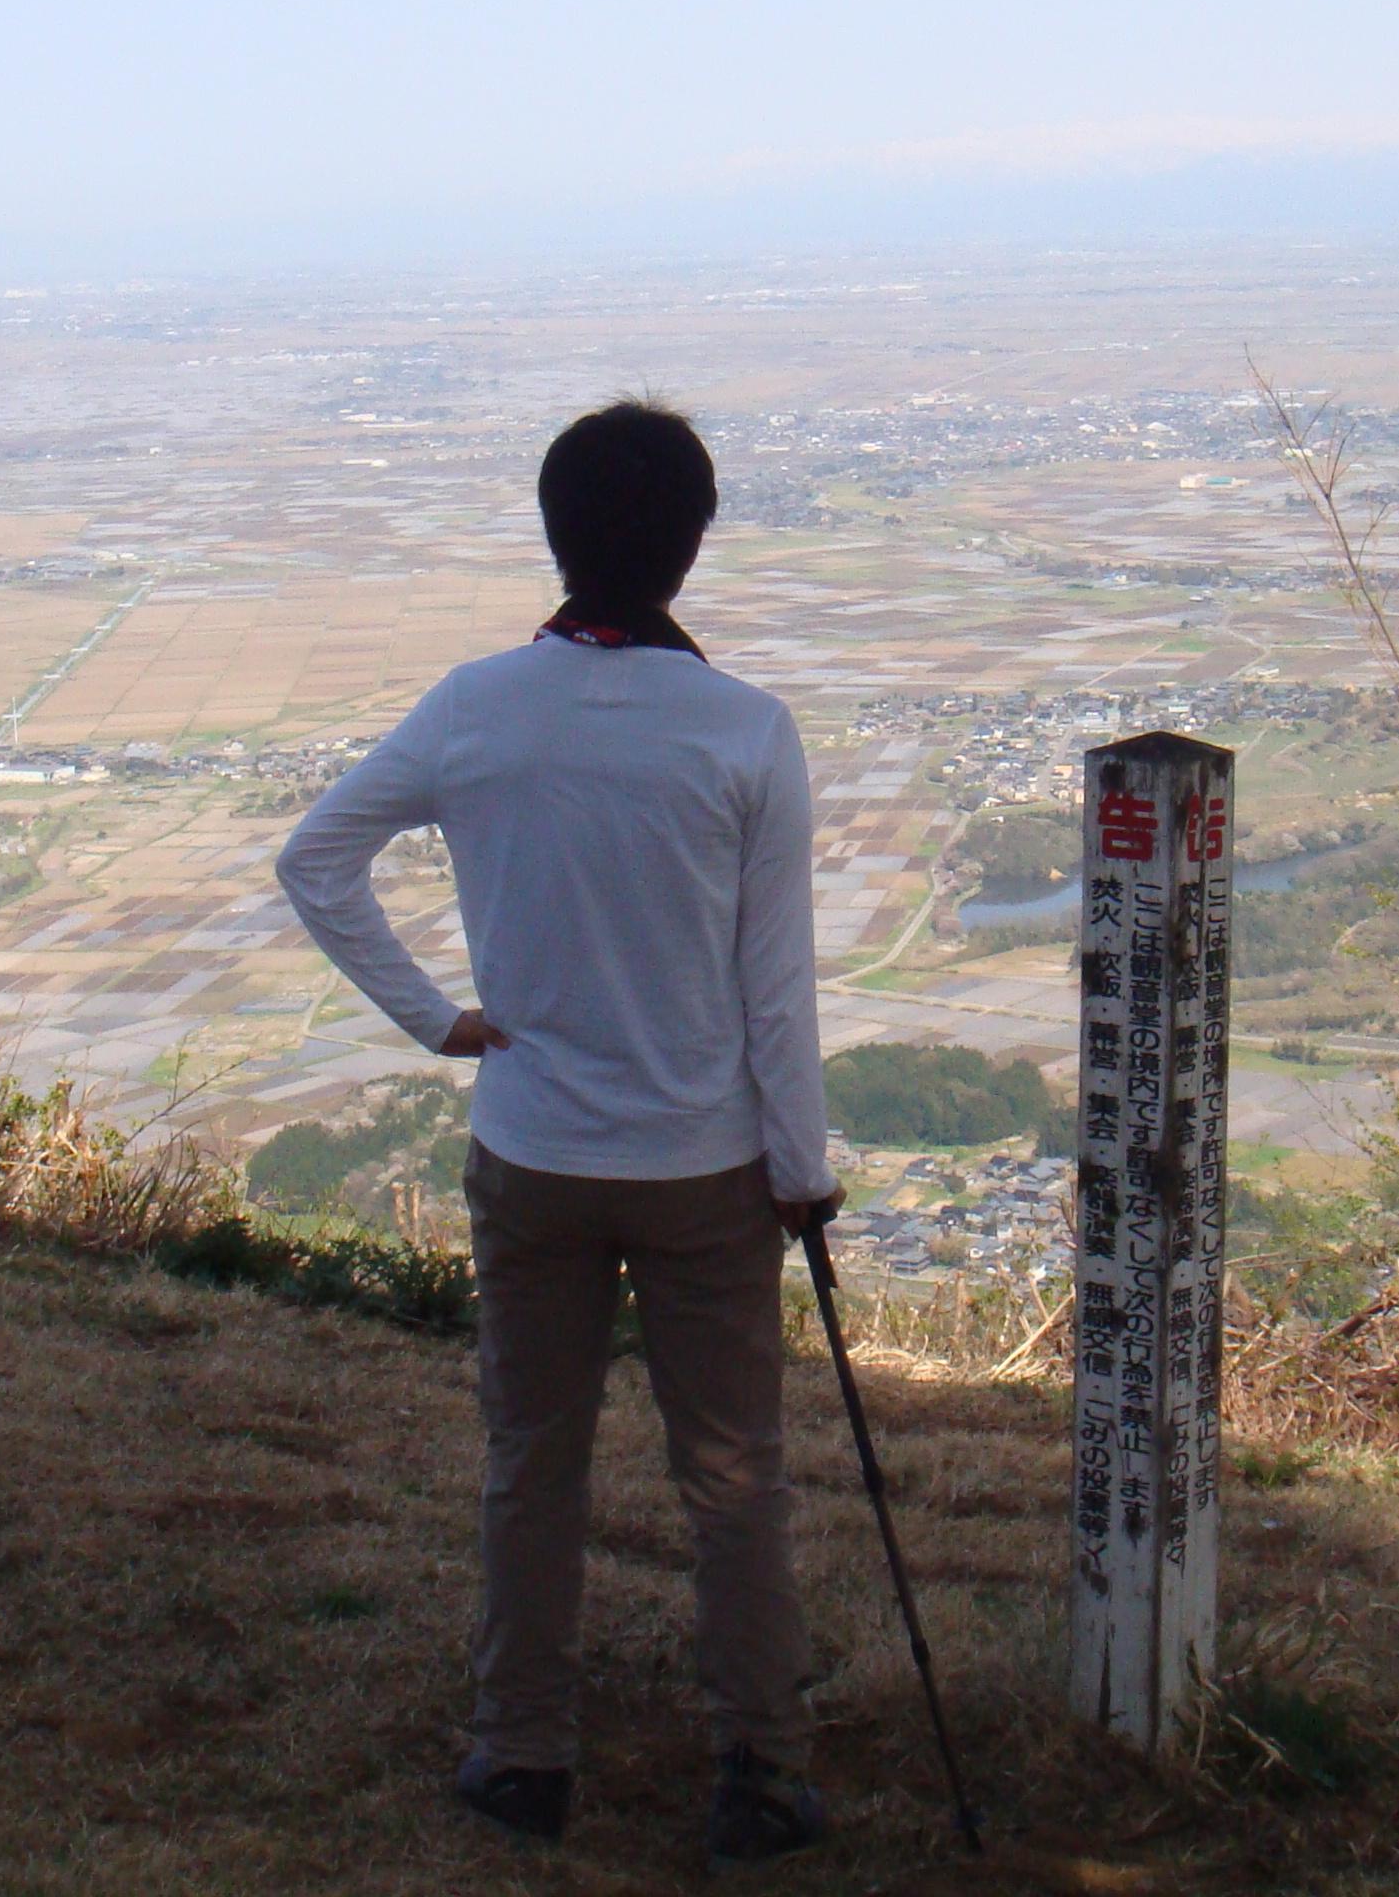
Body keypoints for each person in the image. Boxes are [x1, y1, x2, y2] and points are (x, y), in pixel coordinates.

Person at [276, 399, 841, 1865]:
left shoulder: (476, 708)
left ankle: (520, 1756)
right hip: (707, 1165)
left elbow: (317, 858)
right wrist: (801, 1171)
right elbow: (775, 991)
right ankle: (759, 1771)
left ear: (554, 532)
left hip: (531, 1151)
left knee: (532, 1461)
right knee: (734, 1475)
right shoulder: (745, 732)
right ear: (692, 544)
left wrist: (435, 1019)